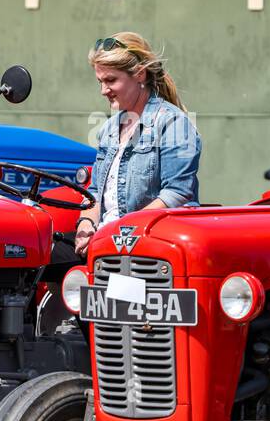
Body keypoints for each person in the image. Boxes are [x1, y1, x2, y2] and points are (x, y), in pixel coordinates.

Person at [75, 33, 201, 255]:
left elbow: (177, 194)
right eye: (100, 81)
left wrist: (120, 230)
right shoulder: (108, 129)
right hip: (105, 242)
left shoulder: (173, 123)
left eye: (111, 80)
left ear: (140, 75)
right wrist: (86, 225)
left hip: (151, 246)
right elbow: (95, 191)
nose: (103, 90)